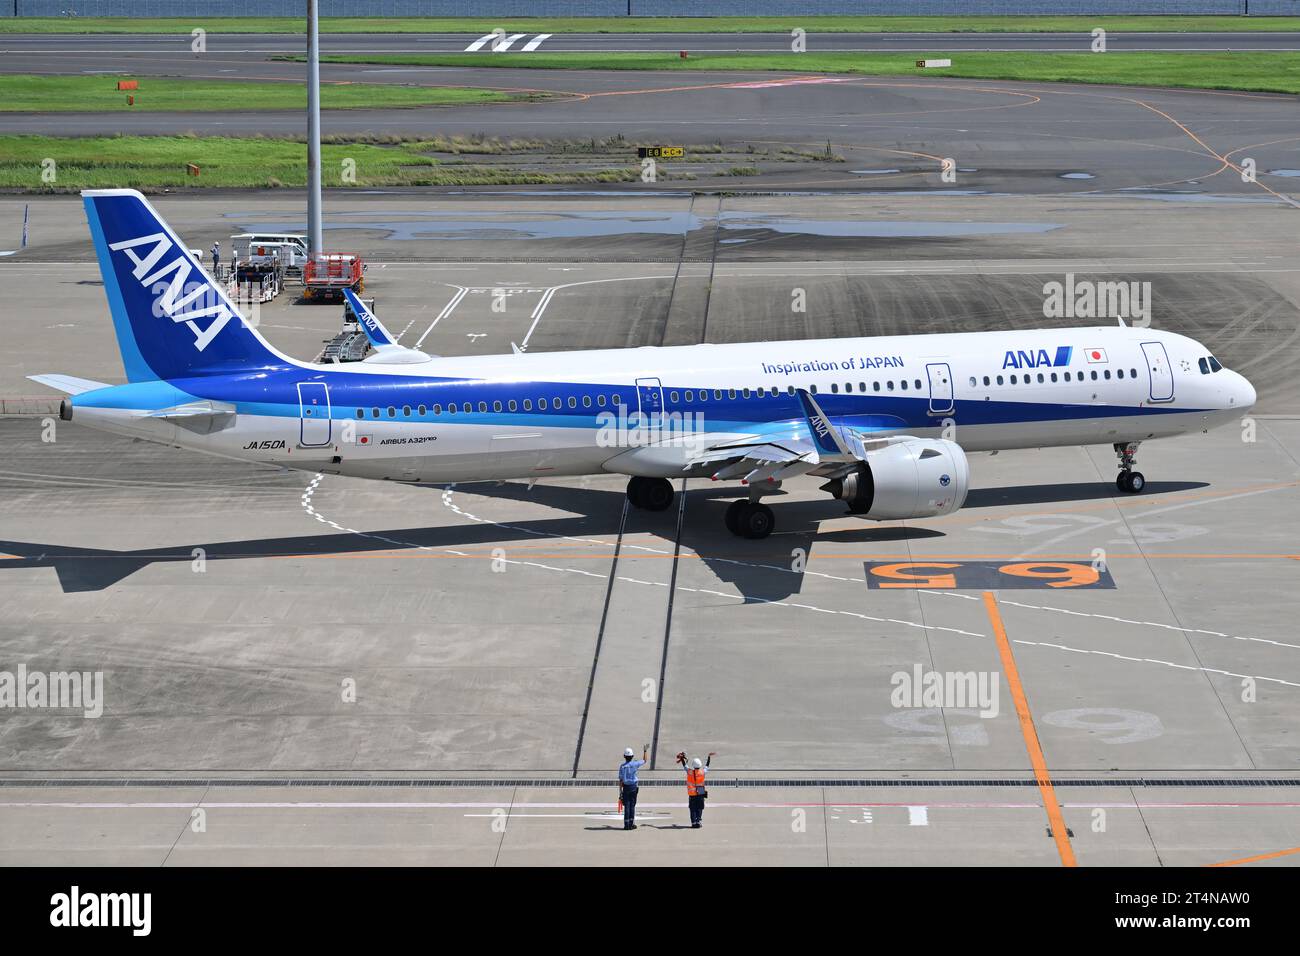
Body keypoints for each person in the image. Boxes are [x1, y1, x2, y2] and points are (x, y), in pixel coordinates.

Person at [618, 745, 648, 830]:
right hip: (634, 787)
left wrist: (620, 792)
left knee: (626, 806)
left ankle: (626, 824)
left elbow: (620, 780)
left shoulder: (622, 766)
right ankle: (631, 824)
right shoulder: (635, 764)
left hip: (626, 787)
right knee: (632, 805)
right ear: (632, 756)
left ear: (624, 756)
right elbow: (645, 760)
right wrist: (645, 751)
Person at [683, 752, 715, 828]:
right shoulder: (702, 772)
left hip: (692, 794)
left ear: (693, 765)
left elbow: (685, 766)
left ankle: (693, 822)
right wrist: (709, 757)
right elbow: (707, 766)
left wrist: (682, 759)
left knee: (692, 809)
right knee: (700, 807)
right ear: (700, 765)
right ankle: (699, 820)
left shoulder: (690, 772)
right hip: (700, 792)